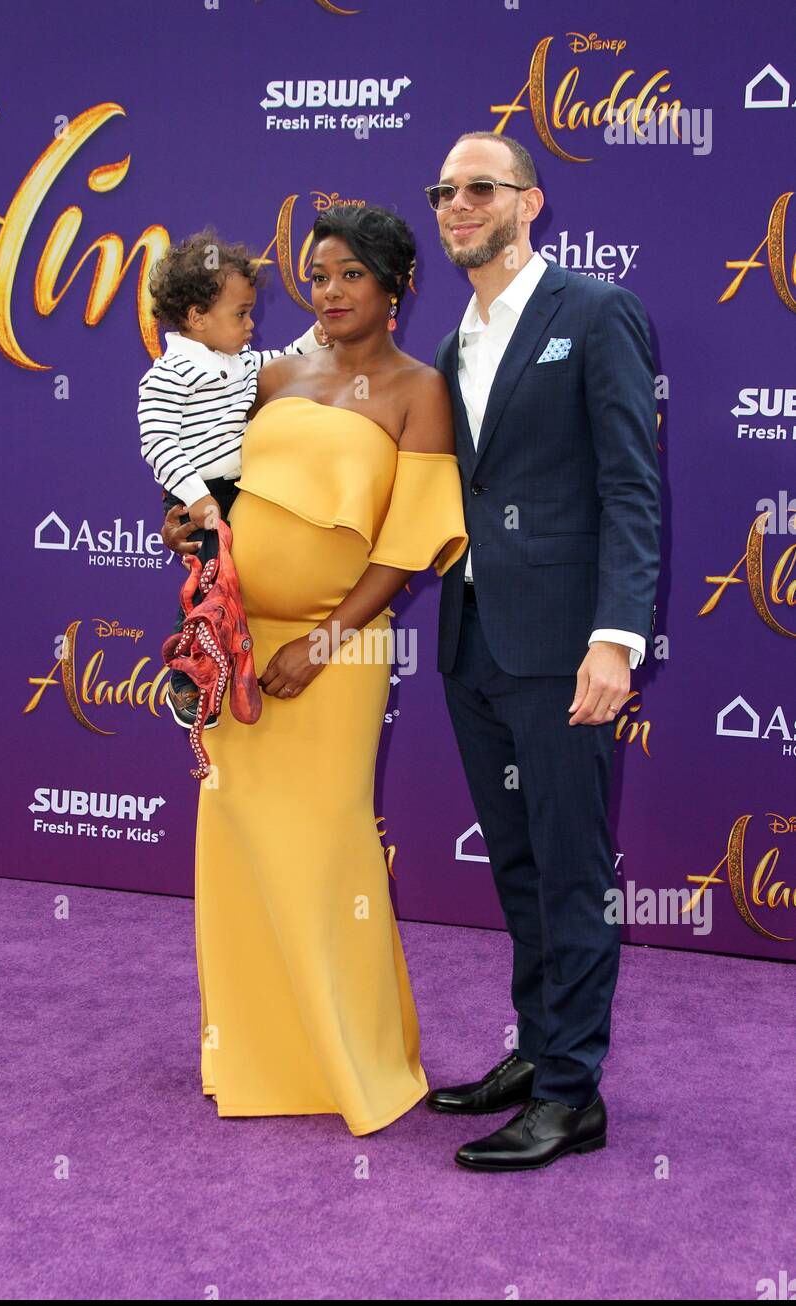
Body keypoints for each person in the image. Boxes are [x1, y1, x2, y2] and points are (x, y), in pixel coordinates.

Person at [161, 205, 467, 1136]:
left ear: (393, 288)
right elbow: (223, 489)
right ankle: (255, 1056)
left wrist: (324, 641)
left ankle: (355, 1060)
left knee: (332, 846)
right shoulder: (272, 374)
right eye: (318, 278)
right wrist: (189, 527)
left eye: (349, 278)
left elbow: (407, 546)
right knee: (238, 844)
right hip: (240, 646)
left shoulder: (420, 390)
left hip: (338, 652)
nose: (329, 294)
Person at [425, 132, 660, 1171]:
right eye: (445, 192)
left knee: (568, 870)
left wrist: (612, 642)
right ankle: (537, 1051)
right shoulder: (453, 342)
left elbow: (629, 486)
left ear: (531, 202)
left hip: (566, 649)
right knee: (516, 865)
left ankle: (571, 1094)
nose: (458, 204)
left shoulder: (593, 311)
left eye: (480, 187)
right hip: (475, 642)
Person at [137, 228, 326, 729]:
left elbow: (279, 360)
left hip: (238, 493)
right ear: (198, 318)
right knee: (209, 588)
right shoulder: (169, 374)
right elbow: (159, 444)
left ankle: (224, 668)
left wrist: (316, 337)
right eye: (241, 315)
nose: (250, 326)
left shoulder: (237, 363)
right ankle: (184, 682)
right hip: (198, 495)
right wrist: (197, 500)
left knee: (232, 590)